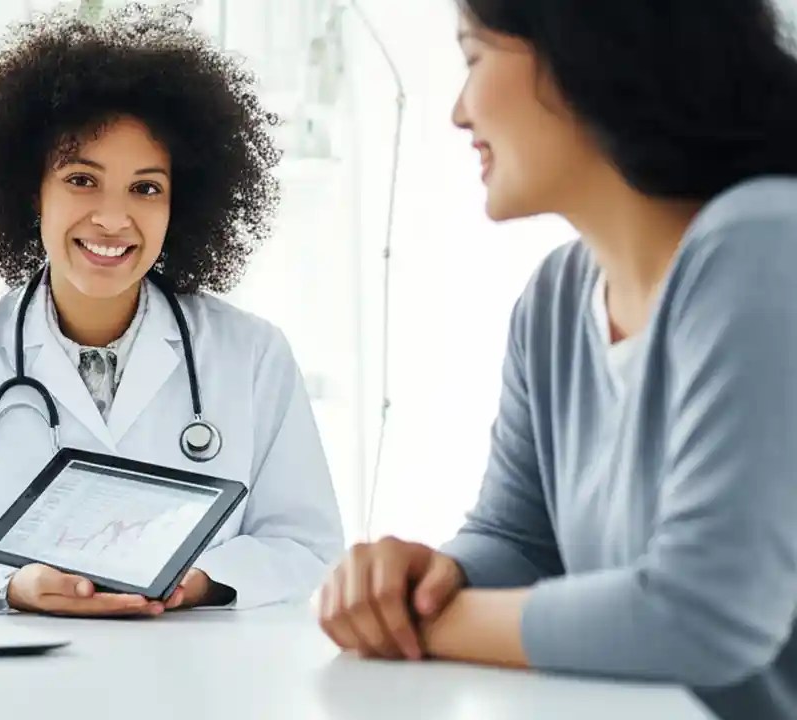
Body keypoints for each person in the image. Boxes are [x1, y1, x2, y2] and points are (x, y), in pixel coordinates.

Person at [317, 1, 797, 718]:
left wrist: (426, 626)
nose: (457, 112)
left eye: (474, 58)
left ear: (588, 52)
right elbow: (519, 541)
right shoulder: (555, 299)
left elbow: (707, 614)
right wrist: (426, 579)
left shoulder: (765, 244)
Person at [0, 4, 344, 617]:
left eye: (146, 188)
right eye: (81, 180)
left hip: (198, 685)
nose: (114, 219)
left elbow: (307, 546)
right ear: (29, 188)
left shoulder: (251, 355)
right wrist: (11, 588)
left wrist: (200, 578)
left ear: (182, 203)